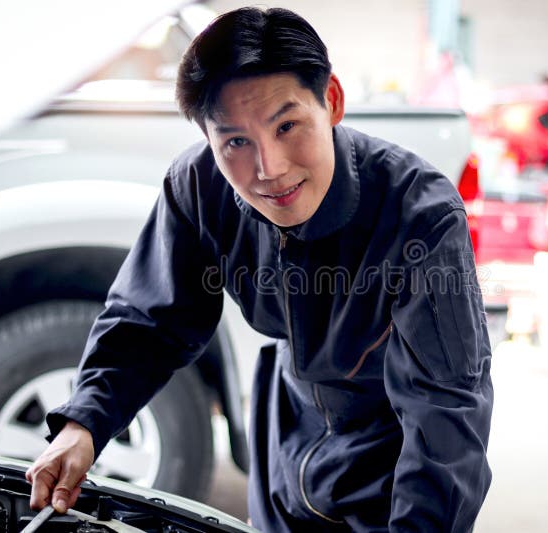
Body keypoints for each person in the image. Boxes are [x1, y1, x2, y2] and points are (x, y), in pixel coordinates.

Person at [26, 6, 493, 531]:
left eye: (287, 126)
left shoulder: (419, 217)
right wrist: (84, 422)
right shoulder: (198, 187)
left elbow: (445, 409)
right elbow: (150, 320)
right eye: (235, 142)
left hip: (393, 460)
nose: (269, 168)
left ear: (332, 101)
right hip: (285, 440)